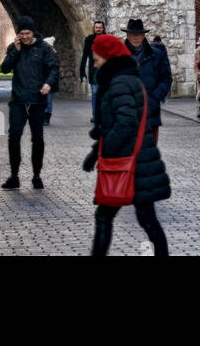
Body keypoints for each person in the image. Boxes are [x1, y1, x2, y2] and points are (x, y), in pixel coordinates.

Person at [84, 33, 171, 257]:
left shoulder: (120, 82)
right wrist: (95, 153)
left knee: (109, 217)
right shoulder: (122, 79)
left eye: (97, 59)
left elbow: (125, 123)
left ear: (109, 58)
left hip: (132, 161)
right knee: (147, 220)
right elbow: (113, 124)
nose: (94, 64)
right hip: (138, 160)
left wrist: (106, 150)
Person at [0, 15, 59, 190]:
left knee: (38, 139)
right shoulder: (14, 47)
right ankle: (14, 176)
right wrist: (16, 51)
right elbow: (4, 68)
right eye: (21, 33)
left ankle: (36, 175)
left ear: (33, 33)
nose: (24, 37)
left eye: (27, 33)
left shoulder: (44, 49)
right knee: (14, 137)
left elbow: (54, 67)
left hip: (37, 101)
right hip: (18, 101)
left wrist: (48, 83)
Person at [124, 18, 173, 144]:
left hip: (150, 111)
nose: (135, 37)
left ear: (143, 35)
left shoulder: (157, 55)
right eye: (132, 34)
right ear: (128, 35)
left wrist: (155, 97)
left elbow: (166, 79)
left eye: (138, 34)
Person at [80, 21, 106, 121]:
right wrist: (82, 71)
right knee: (95, 93)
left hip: (105, 70)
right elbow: (85, 55)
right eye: (96, 27)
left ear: (103, 28)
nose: (98, 29)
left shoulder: (108, 39)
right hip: (93, 70)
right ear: (94, 28)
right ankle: (95, 115)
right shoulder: (89, 39)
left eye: (100, 27)